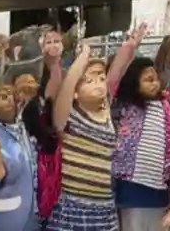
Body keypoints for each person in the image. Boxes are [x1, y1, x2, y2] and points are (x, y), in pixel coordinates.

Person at [107, 25, 170, 231]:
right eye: (148, 80)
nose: (155, 84)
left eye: (156, 79)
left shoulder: (167, 105)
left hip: (160, 192)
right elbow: (113, 79)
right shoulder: (124, 106)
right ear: (134, 83)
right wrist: (130, 47)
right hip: (131, 192)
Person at [50, 46, 119, 231]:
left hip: (105, 209)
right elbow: (66, 87)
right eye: (89, 80)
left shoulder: (107, 114)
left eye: (101, 78)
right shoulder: (68, 116)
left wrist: (131, 45)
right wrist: (82, 59)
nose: (98, 83)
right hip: (71, 209)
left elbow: (117, 74)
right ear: (75, 92)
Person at [0, 83, 41, 231]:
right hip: (0, 221)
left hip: (30, 218)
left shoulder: (21, 126)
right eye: (1, 95)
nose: (9, 98)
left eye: (11, 94)